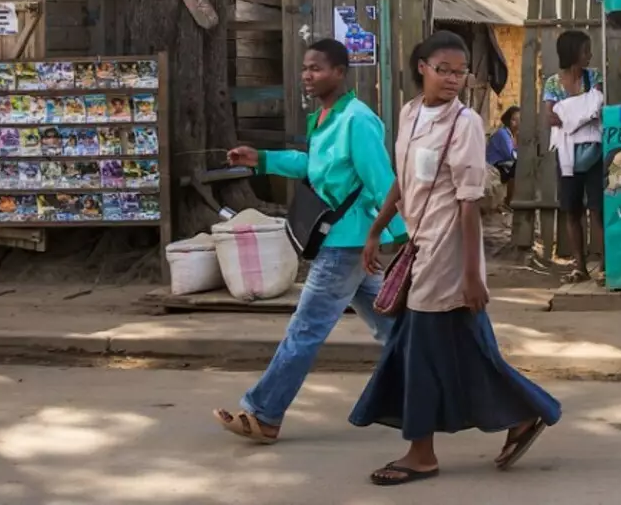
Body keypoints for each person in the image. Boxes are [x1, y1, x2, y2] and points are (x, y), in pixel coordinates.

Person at [352, 31, 561, 486]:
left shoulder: (463, 123)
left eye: (460, 70)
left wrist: (471, 274)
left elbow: (469, 202)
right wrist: (376, 229)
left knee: (418, 355)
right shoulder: (409, 114)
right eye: (442, 69)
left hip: (448, 257)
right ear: (421, 67)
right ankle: (526, 413)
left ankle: (422, 453)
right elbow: (404, 182)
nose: (452, 78)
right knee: (465, 351)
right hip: (419, 245)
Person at [213, 38, 407, 443]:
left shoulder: (357, 119)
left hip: (347, 243)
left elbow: (383, 182)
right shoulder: (326, 117)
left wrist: (401, 238)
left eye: (316, 68)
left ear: (340, 71)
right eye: (305, 68)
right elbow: (314, 166)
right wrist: (263, 159)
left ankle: (264, 414)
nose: (307, 75)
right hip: (342, 241)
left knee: (305, 330)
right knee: (396, 327)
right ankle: (442, 388)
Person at [542, 30, 604, 284]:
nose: (589, 55)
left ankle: (604, 265)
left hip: (594, 151)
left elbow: (596, 106)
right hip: (568, 153)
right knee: (572, 209)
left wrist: (568, 114)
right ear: (573, 53)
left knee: (598, 208)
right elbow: (551, 117)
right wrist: (582, 112)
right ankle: (580, 265)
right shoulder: (553, 83)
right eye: (585, 50)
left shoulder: (594, 77)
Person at [486, 105, 519, 205]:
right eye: (515, 119)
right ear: (509, 121)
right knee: (518, 167)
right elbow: (510, 155)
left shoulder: (512, 135)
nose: (518, 122)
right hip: (494, 166)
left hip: (504, 165)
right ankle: (509, 201)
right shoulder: (502, 133)